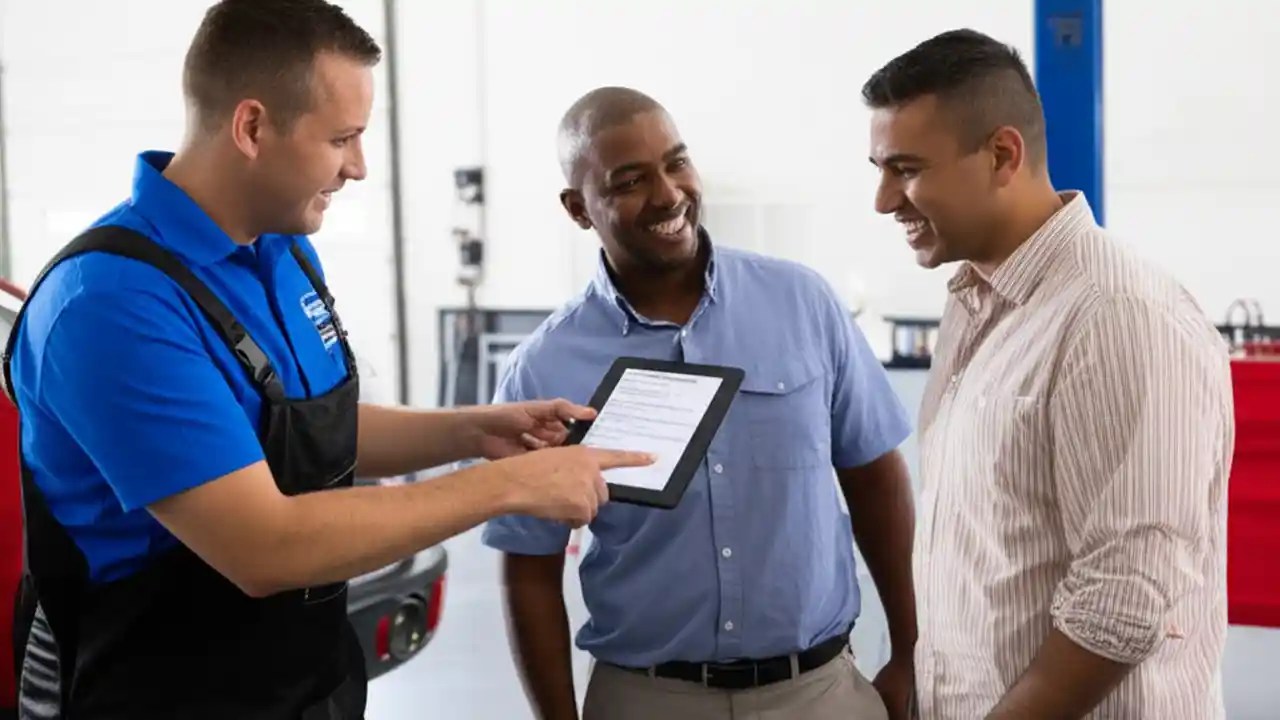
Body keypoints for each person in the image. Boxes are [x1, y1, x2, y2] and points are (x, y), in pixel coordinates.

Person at [1, 2, 653, 718]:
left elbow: (301, 428)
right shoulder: (110, 304)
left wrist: (476, 433)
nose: (360, 167)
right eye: (342, 138)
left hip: (307, 684)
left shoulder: (282, 249)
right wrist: (508, 487)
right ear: (251, 127)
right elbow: (264, 548)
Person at [481, 86, 919, 720]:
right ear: (579, 208)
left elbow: (875, 476)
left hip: (819, 692)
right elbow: (529, 565)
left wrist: (908, 649)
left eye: (676, 162)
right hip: (647, 696)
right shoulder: (546, 366)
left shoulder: (802, 303)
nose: (667, 194)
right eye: (630, 181)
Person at [863, 29, 1234, 720]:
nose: (885, 200)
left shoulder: (1118, 315)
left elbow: (1121, 600)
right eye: (880, 169)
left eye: (906, 169)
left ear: (1003, 154)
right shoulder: (976, 300)